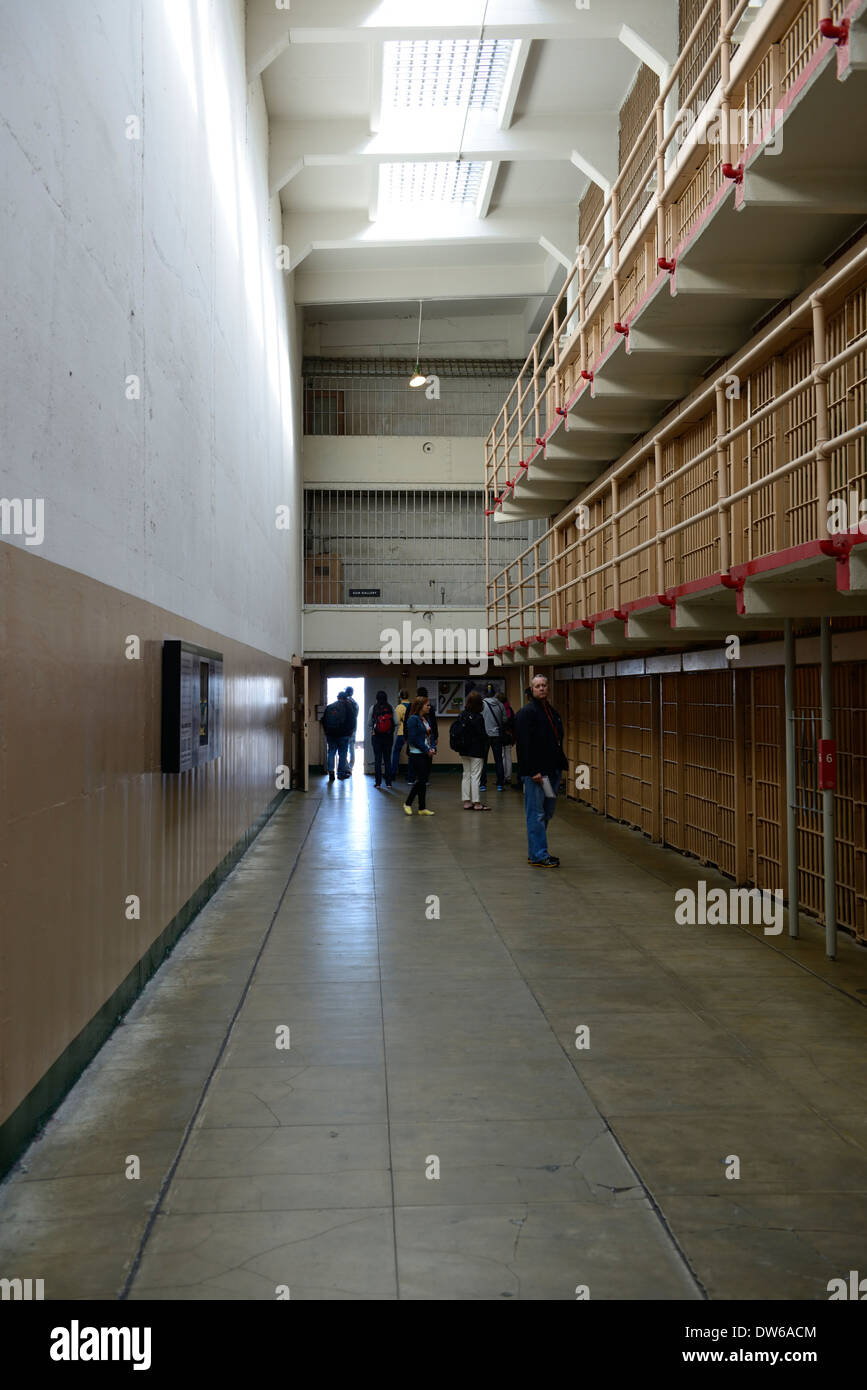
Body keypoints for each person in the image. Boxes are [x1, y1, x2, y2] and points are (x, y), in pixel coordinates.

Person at [514, 673, 568, 867]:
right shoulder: (527, 713)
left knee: (547, 811)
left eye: (544, 685)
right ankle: (538, 854)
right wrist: (532, 771)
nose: (542, 688)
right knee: (536, 813)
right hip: (538, 775)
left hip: (551, 772)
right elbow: (524, 745)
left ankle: (536, 851)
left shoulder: (550, 712)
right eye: (537, 686)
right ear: (531, 689)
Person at [451, 690, 489, 810]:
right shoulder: (478, 717)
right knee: (475, 776)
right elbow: (482, 735)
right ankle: (477, 803)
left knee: (466, 775)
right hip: (476, 750)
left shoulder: (462, 715)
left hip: (463, 749)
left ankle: (467, 802)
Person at [403, 695, 435, 815]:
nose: (429, 707)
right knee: (421, 780)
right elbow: (413, 739)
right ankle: (408, 803)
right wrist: (427, 749)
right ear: (420, 706)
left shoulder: (426, 719)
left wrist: (432, 748)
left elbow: (430, 736)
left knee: (423, 780)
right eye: (427, 705)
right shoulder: (413, 719)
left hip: (426, 752)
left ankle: (422, 808)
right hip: (417, 754)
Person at [480, 682, 508, 791]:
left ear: (485, 693)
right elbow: (505, 720)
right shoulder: (500, 705)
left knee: (483, 761)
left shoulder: (481, 704)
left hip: (485, 735)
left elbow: (479, 718)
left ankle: (483, 784)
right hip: (497, 735)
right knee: (499, 760)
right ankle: (500, 784)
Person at [320, 691, 352, 783]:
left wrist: (326, 731)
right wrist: (350, 732)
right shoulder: (347, 707)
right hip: (343, 735)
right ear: (345, 698)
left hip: (331, 734)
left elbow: (323, 720)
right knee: (342, 754)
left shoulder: (329, 707)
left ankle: (331, 773)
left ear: (338, 697)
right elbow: (352, 721)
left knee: (331, 752)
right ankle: (341, 774)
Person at [369, 690, 395, 789]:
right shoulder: (390, 707)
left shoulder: (373, 708)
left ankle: (378, 783)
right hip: (388, 737)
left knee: (378, 760)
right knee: (388, 759)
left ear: (377, 698)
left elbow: (369, 723)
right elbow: (396, 722)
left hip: (377, 737)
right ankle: (388, 783)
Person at [390, 689, 411, 783]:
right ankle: (411, 774)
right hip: (411, 732)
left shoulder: (399, 707)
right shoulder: (412, 705)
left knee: (396, 752)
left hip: (402, 732)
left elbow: (396, 721)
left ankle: (393, 773)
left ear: (400, 696)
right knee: (412, 753)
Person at [498, 691, 516, 787]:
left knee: (502, 756)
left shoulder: (500, 709)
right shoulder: (509, 708)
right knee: (508, 756)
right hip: (509, 734)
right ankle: (508, 777)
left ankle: (503, 777)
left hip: (501, 734)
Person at [416, 686, 438, 752]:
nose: (429, 707)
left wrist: (434, 738)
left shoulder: (427, 718)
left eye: (429, 706)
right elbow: (434, 723)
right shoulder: (414, 718)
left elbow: (433, 723)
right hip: (417, 744)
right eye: (427, 706)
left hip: (428, 739)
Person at [343, 685, 359, 771]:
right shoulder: (355, 703)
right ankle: (351, 766)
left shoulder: (344, 702)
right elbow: (355, 716)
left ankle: (345, 766)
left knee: (344, 748)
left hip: (345, 729)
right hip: (353, 728)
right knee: (352, 748)